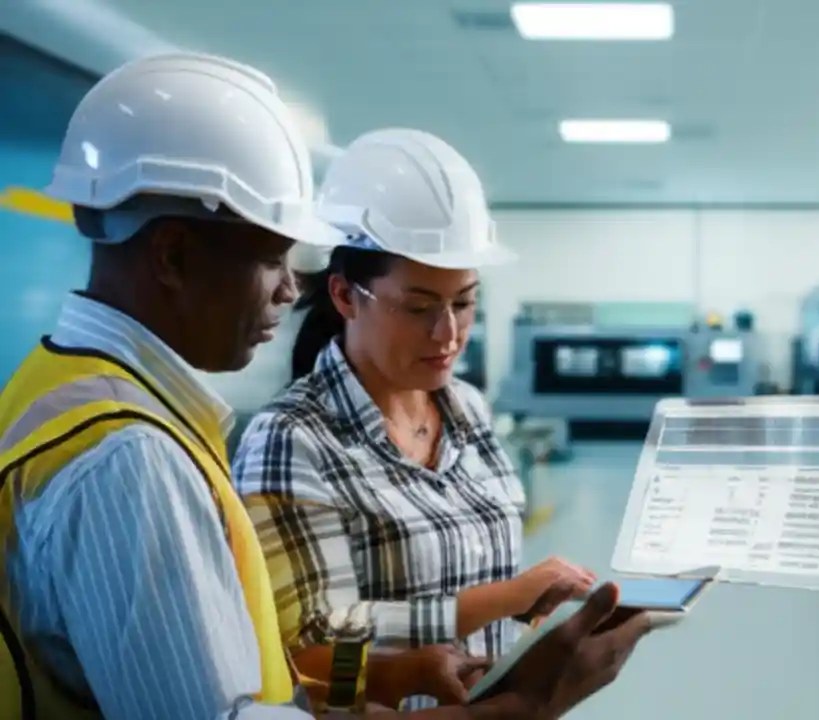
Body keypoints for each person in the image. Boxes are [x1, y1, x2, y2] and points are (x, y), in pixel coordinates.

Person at [0, 52, 650, 720]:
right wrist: (526, 706)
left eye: (463, 303)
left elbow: (254, 676)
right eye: (271, 258)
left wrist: (395, 676)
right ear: (172, 255)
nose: (289, 289)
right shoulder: (133, 457)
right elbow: (253, 690)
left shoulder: (72, 393)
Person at [231, 129, 597, 709]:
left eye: (464, 302)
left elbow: (492, 588)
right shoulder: (292, 438)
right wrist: (502, 598)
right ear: (346, 296)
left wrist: (537, 635)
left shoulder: (468, 408)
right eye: (420, 307)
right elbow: (307, 646)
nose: (448, 334)